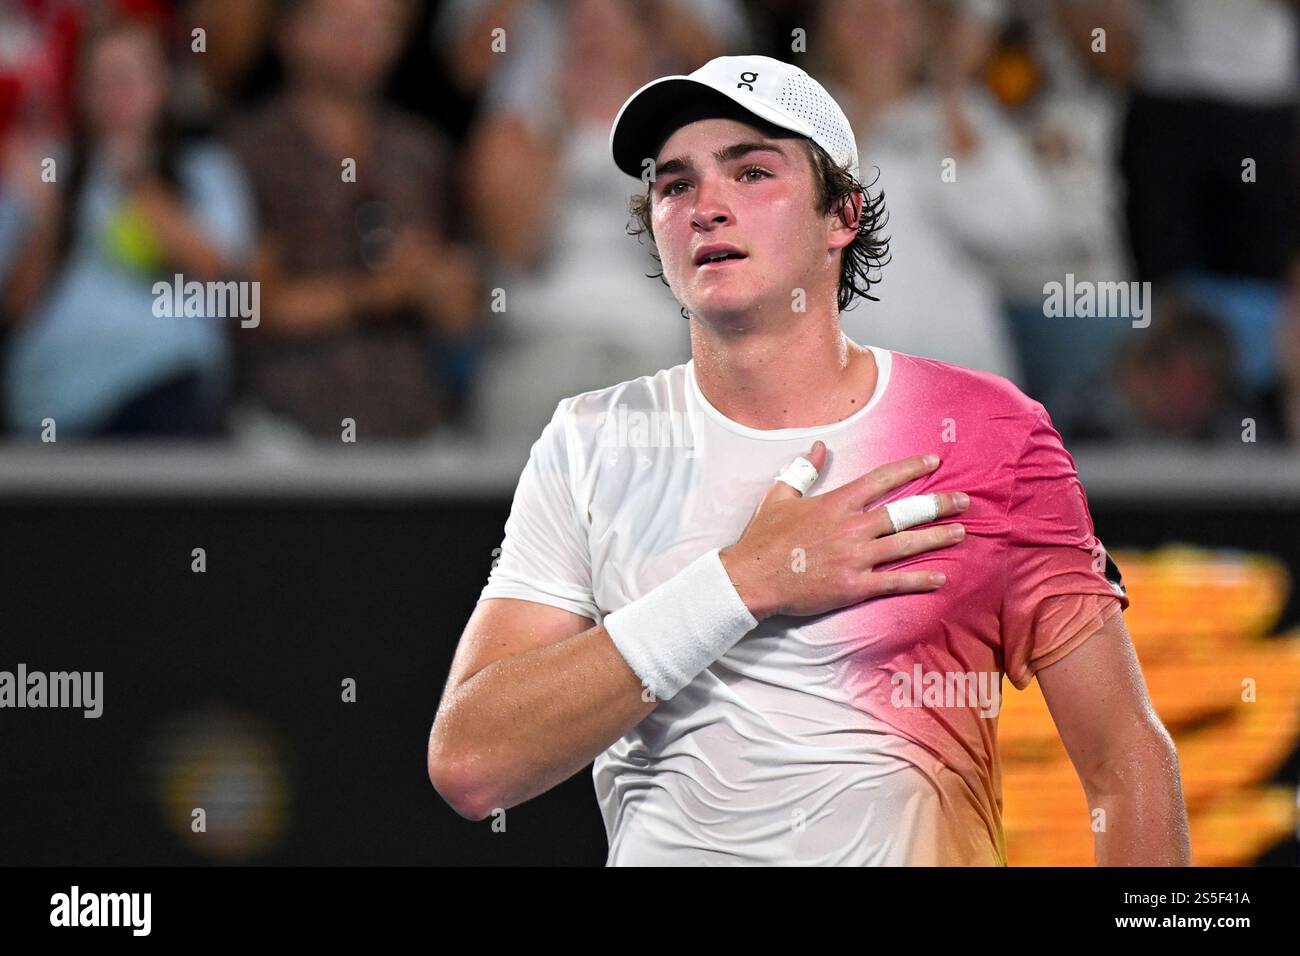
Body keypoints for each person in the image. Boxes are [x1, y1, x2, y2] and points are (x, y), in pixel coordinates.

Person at [428, 55, 1191, 866]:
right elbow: (472, 764)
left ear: (843, 216)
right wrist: (744, 581)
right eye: (674, 185)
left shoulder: (986, 431)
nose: (705, 208)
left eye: (752, 171)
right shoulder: (591, 440)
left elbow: (1126, 759)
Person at [0, 12, 256, 438]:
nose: (115, 97)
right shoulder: (48, 169)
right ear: (79, 92)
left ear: (162, 86)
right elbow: (16, 309)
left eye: (129, 79)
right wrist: (51, 218)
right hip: (51, 398)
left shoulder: (204, 170)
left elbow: (233, 294)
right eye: (99, 81)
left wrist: (139, 185)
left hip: (163, 385)